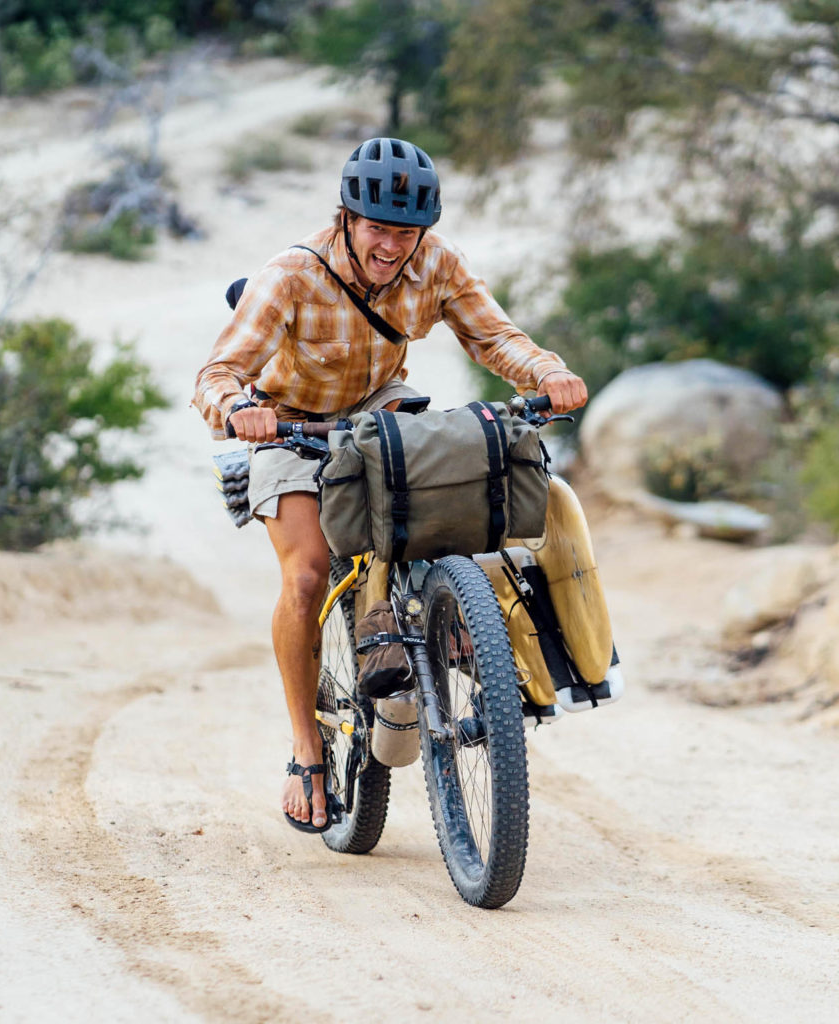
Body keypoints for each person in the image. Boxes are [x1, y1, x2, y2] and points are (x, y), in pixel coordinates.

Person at [193, 137, 588, 833]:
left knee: (451, 516)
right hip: (290, 426)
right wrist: (238, 411)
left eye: (406, 233)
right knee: (309, 575)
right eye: (378, 229)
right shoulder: (290, 275)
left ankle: (450, 627)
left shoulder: (435, 262)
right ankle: (307, 751)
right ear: (346, 216)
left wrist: (545, 372)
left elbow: (494, 337)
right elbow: (216, 374)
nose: (392, 247)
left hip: (379, 411)